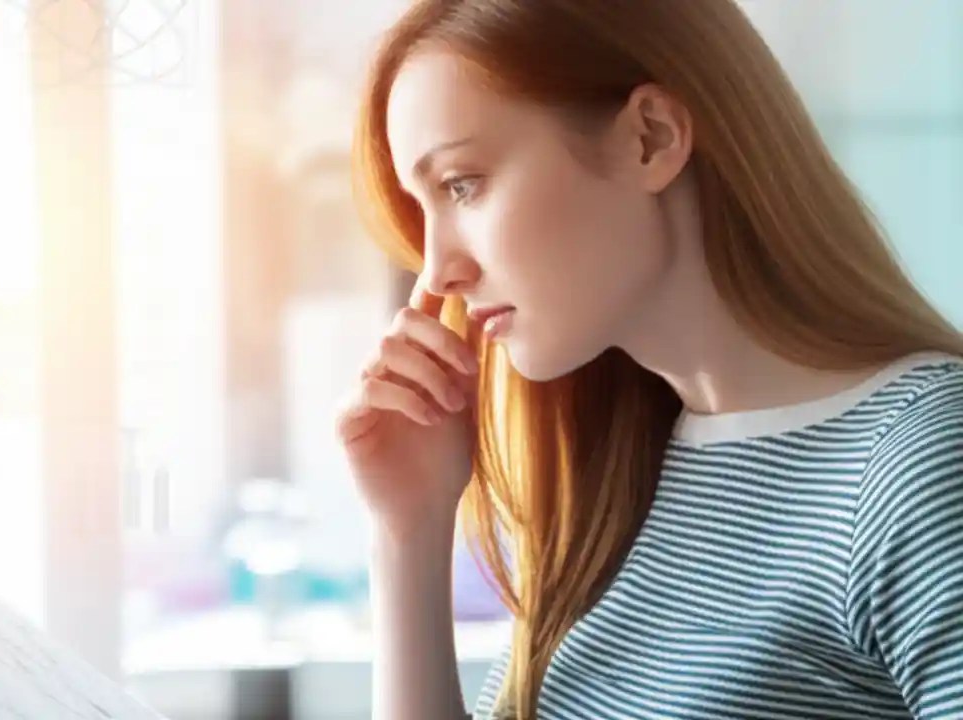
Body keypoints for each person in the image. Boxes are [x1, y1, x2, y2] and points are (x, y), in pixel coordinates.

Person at [333, 1, 963, 718]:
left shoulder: (919, 462)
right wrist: (406, 531)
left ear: (650, 139)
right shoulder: (611, 481)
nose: (439, 268)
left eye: (461, 185)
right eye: (425, 209)